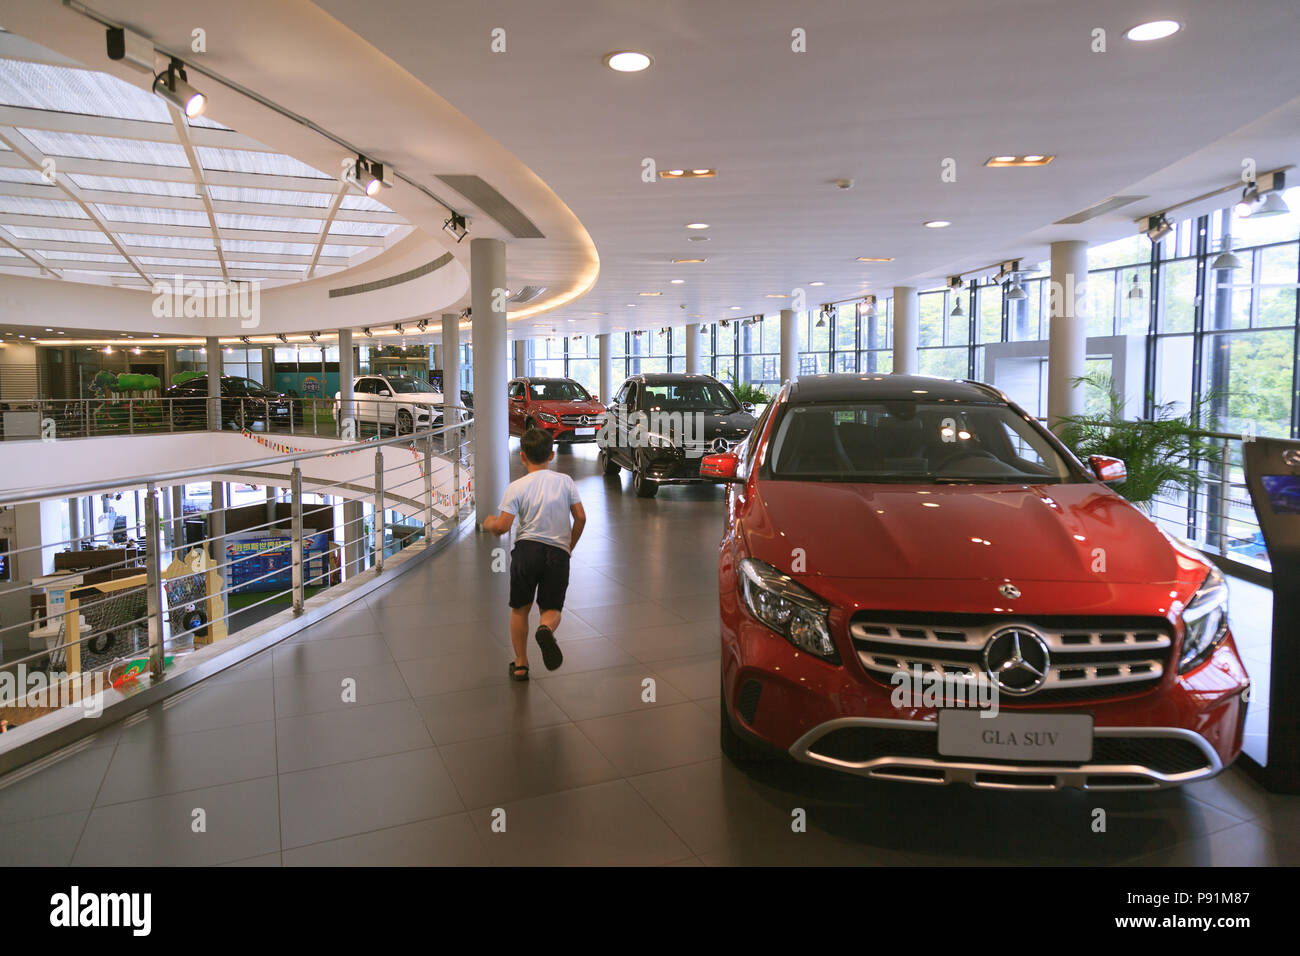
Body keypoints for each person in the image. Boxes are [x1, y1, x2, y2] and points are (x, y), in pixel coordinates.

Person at [482, 428, 586, 681]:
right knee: (552, 607)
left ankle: (520, 664)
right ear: (551, 454)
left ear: (523, 456)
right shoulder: (565, 481)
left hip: (527, 552)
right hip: (557, 554)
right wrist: (568, 547)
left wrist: (490, 524)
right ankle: (545, 628)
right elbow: (581, 517)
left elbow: (504, 526)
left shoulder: (516, 487)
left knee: (519, 608)